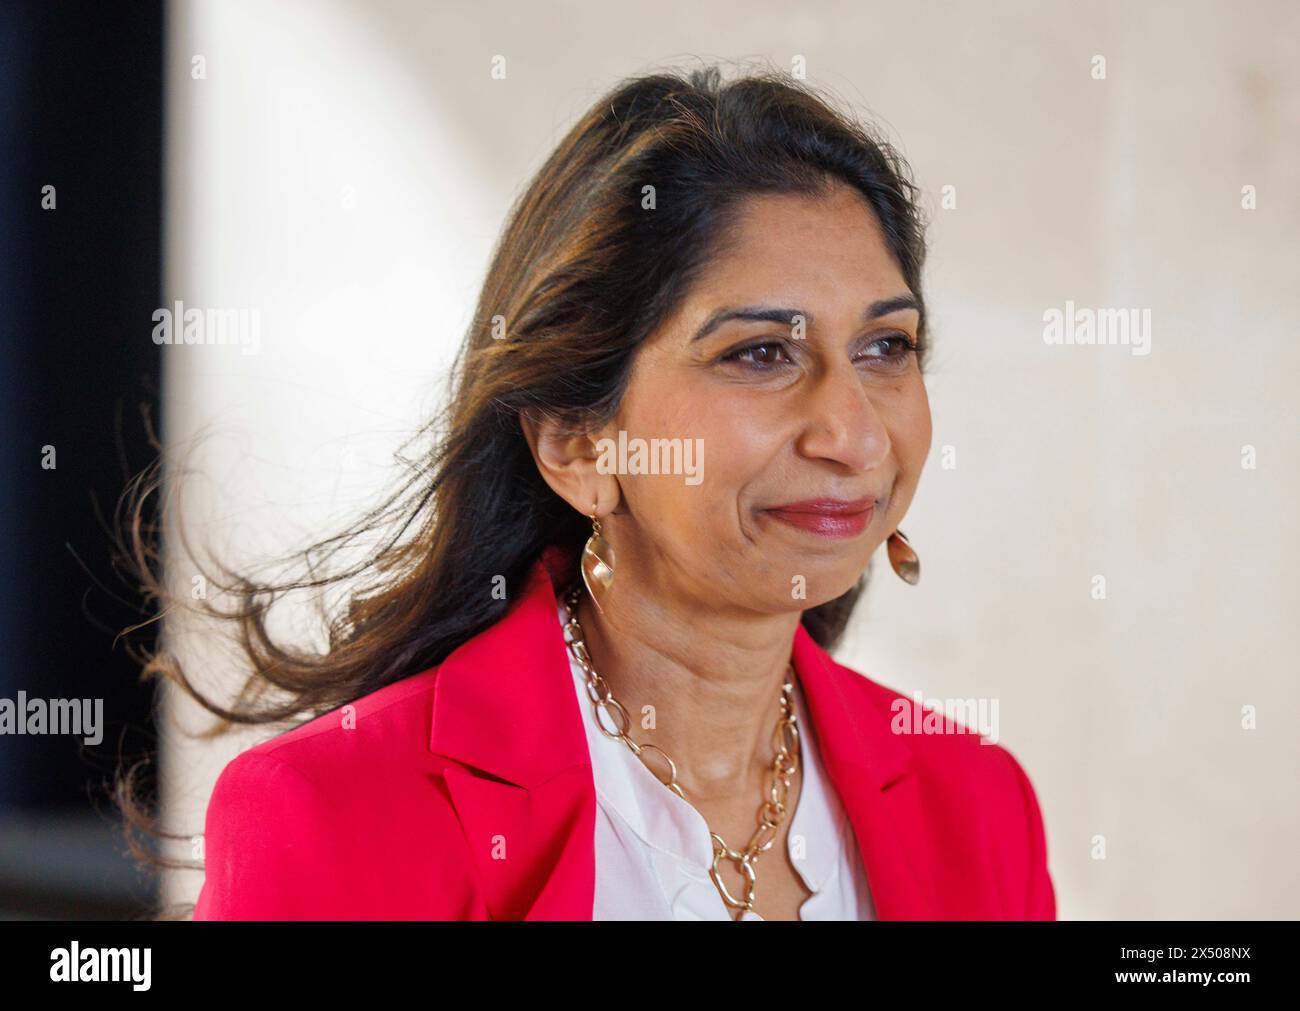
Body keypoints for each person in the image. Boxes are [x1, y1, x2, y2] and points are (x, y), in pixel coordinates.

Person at [127, 63, 1055, 921]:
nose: (852, 436)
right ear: (576, 442)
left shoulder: (977, 801)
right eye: (761, 353)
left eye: (885, 347)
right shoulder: (335, 814)